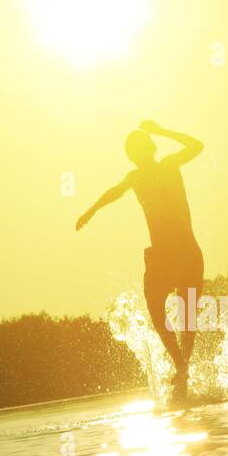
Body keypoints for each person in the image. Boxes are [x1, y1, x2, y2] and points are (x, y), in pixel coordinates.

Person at [76, 120, 204, 398]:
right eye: (133, 151)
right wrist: (90, 211)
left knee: (188, 315)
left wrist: (161, 129)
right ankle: (181, 365)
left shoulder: (170, 164)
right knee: (156, 310)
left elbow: (197, 146)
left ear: (152, 148)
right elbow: (114, 192)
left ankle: (182, 371)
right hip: (161, 254)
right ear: (131, 156)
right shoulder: (135, 177)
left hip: (186, 250)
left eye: (142, 147)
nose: (138, 154)